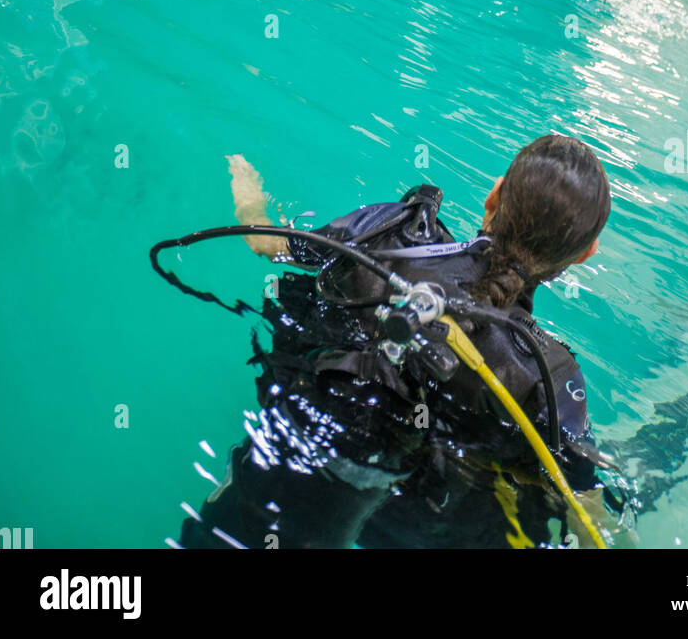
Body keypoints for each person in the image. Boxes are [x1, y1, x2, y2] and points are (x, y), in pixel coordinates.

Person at [178, 134, 626, 551]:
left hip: (295, 429)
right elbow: (582, 498)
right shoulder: (547, 375)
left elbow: (265, 244)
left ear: (494, 194)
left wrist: (248, 189)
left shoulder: (388, 234)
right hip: (384, 490)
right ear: (584, 254)